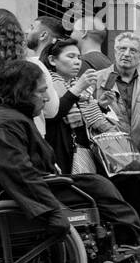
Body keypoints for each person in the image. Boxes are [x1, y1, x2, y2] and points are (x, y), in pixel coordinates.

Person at [0, 61, 140, 250]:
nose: (46, 98)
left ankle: (134, 233)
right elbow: (18, 173)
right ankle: (135, 236)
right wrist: (52, 211)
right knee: (99, 185)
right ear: (21, 92)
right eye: (41, 92)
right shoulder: (4, 125)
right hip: (30, 191)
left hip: (28, 185)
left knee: (98, 183)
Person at [91, 31, 140, 224]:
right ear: (114, 51)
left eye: (133, 50)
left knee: (139, 207)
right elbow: (88, 111)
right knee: (112, 206)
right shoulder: (98, 79)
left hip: (139, 154)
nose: (126, 54)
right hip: (108, 155)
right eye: (122, 48)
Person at [39, 37, 97, 176]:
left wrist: (101, 105)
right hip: (57, 149)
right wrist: (77, 89)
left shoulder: (77, 84)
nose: (77, 62)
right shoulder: (45, 85)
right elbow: (54, 114)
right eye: (70, 56)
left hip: (80, 149)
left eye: (78, 57)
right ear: (52, 60)